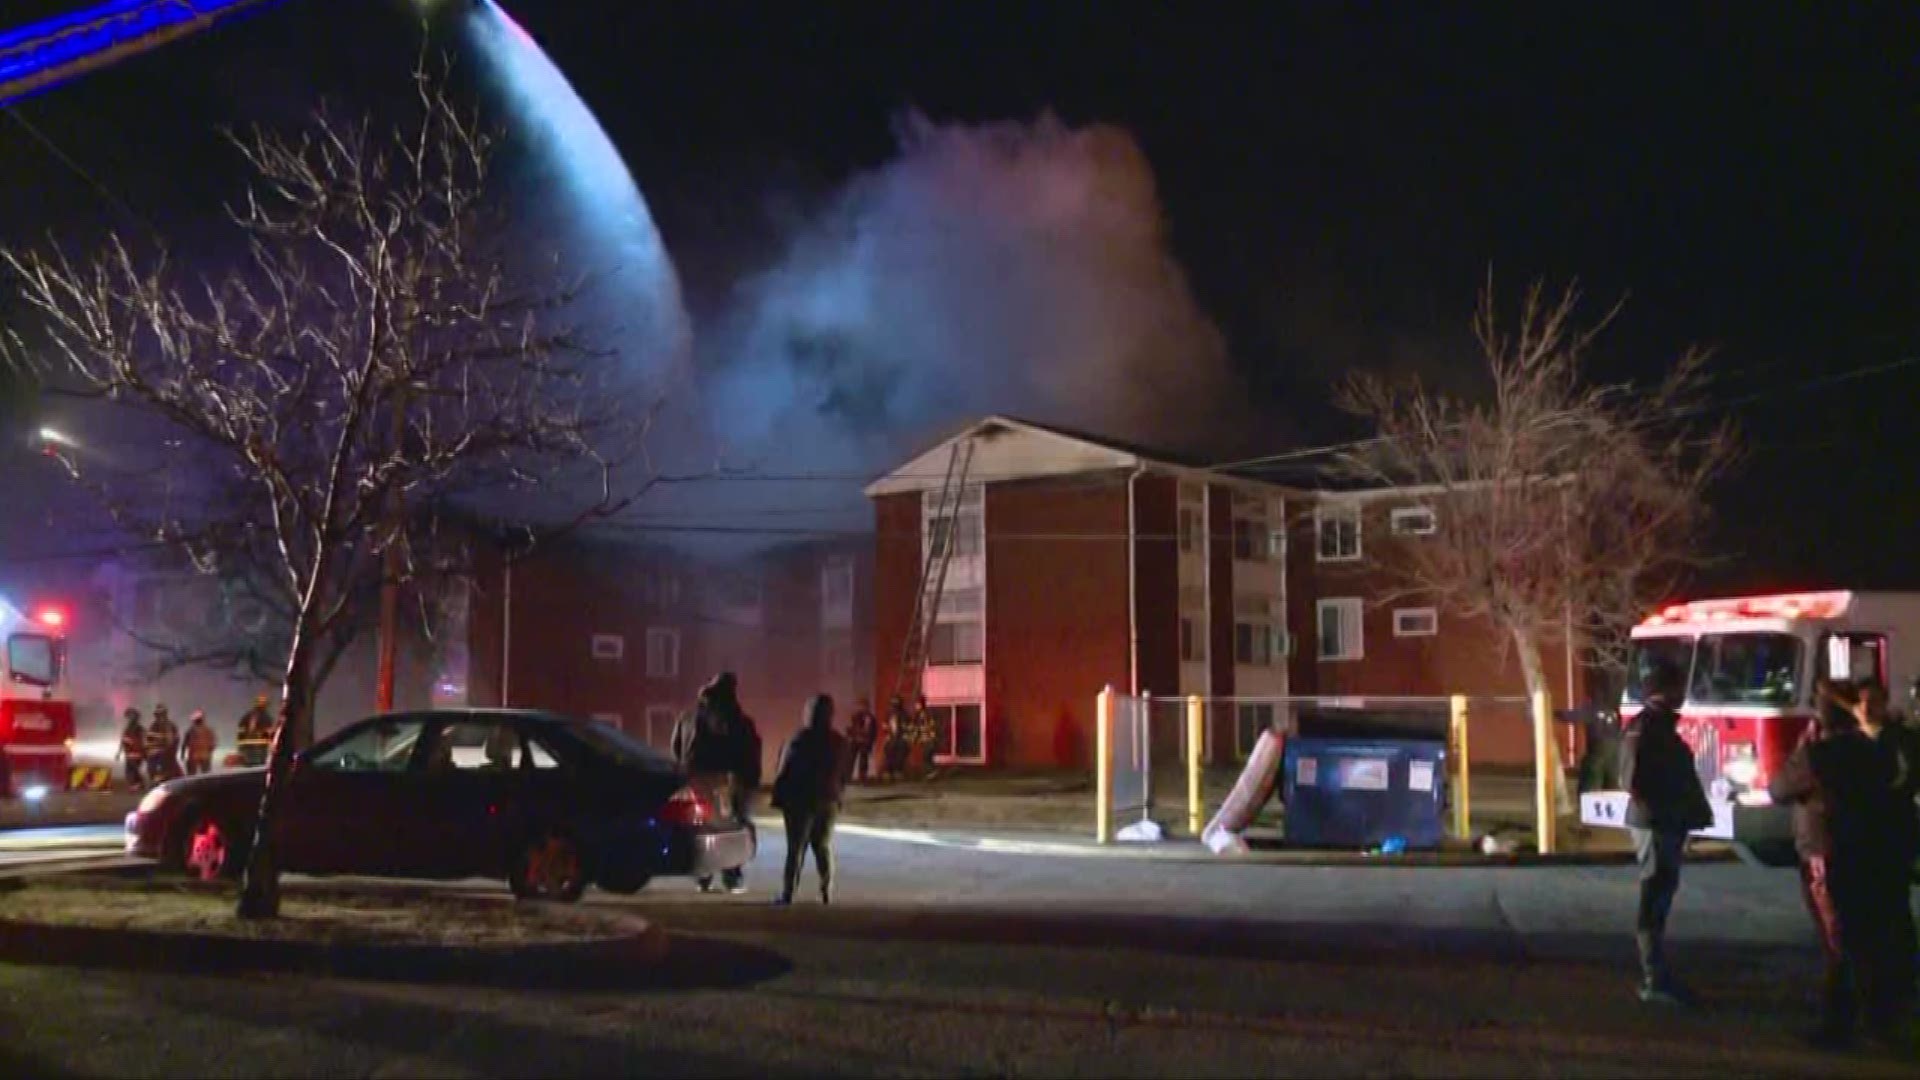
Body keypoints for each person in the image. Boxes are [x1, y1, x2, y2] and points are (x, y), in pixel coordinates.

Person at [1771, 682, 1907, 1048]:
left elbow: (1778, 789)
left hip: (1823, 855)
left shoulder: (1816, 755)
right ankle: (1881, 1018)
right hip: (1866, 853)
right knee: (1869, 937)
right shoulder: (1877, 751)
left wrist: (1801, 748)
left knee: (1838, 943)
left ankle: (1839, 1025)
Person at [1618, 657, 1712, 1005]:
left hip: (1663, 822)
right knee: (1654, 897)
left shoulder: (1654, 726)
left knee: (1658, 894)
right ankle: (1653, 978)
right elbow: (1633, 779)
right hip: (1657, 824)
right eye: (1678, 688)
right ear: (1667, 690)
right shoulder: (1648, 728)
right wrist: (1667, 808)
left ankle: (1655, 973)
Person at [680, 672, 762, 895]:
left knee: (702, 825)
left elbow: (677, 746)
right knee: (730, 827)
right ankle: (731, 876)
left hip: (695, 778)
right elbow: (747, 752)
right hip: (726, 780)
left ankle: (703, 875)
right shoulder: (736, 719)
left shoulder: (689, 716)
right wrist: (750, 782)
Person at [771, 694, 851, 905]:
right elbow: (845, 773)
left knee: (796, 848)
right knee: (822, 846)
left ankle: (788, 893)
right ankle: (826, 891)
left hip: (800, 800)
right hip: (828, 799)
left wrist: (779, 796)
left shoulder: (798, 739)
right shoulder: (839, 742)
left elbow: (785, 770)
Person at [144, 705, 182, 784]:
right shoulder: (153, 725)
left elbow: (174, 740)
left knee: (170, 770)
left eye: (161, 714)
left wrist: (170, 749)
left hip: (168, 752)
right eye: (158, 715)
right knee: (151, 768)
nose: (159, 717)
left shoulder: (170, 725)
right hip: (156, 752)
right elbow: (148, 739)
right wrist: (150, 748)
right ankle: (156, 781)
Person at [235, 695, 273, 768]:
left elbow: (241, 730)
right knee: (258, 768)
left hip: (249, 749)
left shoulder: (248, 715)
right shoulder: (266, 717)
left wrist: (240, 745)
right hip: (258, 749)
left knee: (249, 768)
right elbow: (268, 732)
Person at [847, 696, 878, 783]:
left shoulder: (871, 718)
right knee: (850, 758)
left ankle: (862, 777)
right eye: (861, 705)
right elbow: (852, 728)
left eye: (864, 705)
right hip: (856, 740)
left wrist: (870, 742)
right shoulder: (856, 716)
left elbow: (872, 732)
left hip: (865, 741)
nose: (862, 707)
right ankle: (847, 776)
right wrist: (853, 735)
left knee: (863, 759)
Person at [115, 708, 146, 792]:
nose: (129, 719)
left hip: (137, 752)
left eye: (131, 717)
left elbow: (143, 740)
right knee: (130, 769)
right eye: (129, 717)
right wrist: (119, 752)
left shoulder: (140, 729)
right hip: (129, 753)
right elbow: (123, 740)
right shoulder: (128, 728)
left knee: (133, 769)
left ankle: (136, 784)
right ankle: (137, 784)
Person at [909, 694, 939, 779]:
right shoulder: (917, 715)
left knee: (927, 755)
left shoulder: (928, 713)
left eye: (917, 704)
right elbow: (914, 726)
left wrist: (927, 730)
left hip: (930, 739)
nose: (916, 706)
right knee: (926, 756)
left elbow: (932, 725)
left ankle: (933, 771)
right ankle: (931, 772)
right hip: (924, 739)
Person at [882, 696, 911, 782]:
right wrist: (887, 730)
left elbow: (907, 726)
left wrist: (905, 736)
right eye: (893, 705)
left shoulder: (904, 714)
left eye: (896, 705)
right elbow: (884, 725)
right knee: (889, 754)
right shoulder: (889, 714)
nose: (894, 707)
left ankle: (898, 772)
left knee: (900, 755)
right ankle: (888, 772)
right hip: (891, 738)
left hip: (900, 738)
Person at [182, 710, 217, 776]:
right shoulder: (191, 731)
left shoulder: (207, 730)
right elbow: (212, 743)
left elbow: (212, 742)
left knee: (203, 773)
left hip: (200, 755)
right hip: (198, 754)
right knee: (197, 774)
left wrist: (183, 753)